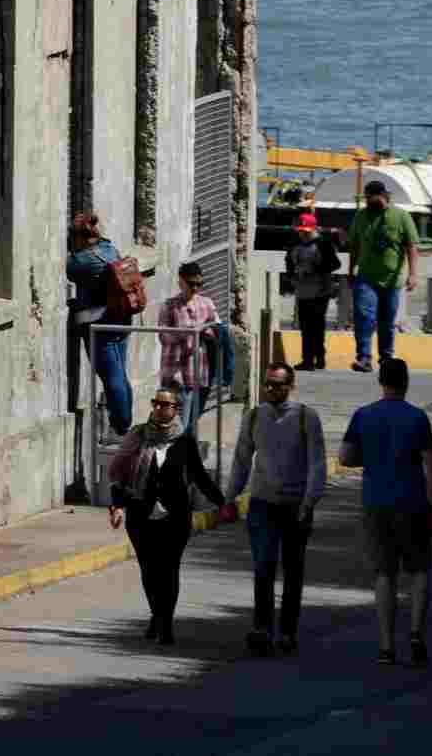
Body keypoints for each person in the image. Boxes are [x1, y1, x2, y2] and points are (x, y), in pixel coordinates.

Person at [340, 357, 432, 665]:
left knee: (385, 574)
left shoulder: (363, 416)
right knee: (419, 571)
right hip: (413, 504)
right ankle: (416, 635)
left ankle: (386, 646)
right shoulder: (417, 418)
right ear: (406, 382)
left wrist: (372, 457)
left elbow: (345, 457)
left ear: (381, 382)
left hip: (376, 504)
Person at [107, 388, 227, 646]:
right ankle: (156, 614)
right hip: (140, 515)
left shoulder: (184, 442)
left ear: (176, 409)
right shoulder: (138, 437)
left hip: (175, 518)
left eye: (166, 404)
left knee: (169, 570)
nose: (160, 408)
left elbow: (200, 477)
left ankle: (166, 624)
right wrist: (117, 506)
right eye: (157, 403)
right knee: (149, 571)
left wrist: (222, 503)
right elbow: (120, 474)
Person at [229, 362, 325, 655]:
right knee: (263, 567)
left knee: (293, 572)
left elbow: (317, 464)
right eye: (268, 384)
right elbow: (242, 459)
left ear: (290, 386)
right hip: (262, 504)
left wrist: (309, 502)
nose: (271, 389)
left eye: (278, 385)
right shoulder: (254, 416)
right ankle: (262, 628)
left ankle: (287, 632)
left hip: (295, 506)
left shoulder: (306, 418)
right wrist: (229, 496)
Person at [67, 213, 137, 436]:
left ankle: (121, 425)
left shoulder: (81, 261)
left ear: (79, 237)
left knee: (111, 377)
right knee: (120, 372)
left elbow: (68, 269)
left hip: (101, 324)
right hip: (122, 318)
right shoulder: (109, 248)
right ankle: (124, 420)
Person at [344, 181, 420, 372]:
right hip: (366, 278)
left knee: (387, 321)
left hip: (392, 281)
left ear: (384, 195)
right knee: (364, 316)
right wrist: (351, 270)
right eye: (367, 197)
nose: (369, 201)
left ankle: (386, 357)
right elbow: (354, 246)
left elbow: (411, 246)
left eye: (373, 197)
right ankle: (364, 357)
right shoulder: (361, 216)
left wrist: (413, 274)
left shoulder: (401, 216)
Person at [159, 260, 221, 428]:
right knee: (168, 419)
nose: (195, 288)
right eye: (191, 283)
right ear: (181, 281)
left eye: (199, 284)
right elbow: (163, 336)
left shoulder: (206, 304)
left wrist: (204, 331)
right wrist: (190, 331)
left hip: (197, 369)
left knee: (189, 422)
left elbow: (215, 330)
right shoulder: (169, 306)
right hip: (173, 369)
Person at [286, 212, 339, 369]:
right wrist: (292, 276)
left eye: (306, 231)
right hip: (302, 291)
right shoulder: (295, 245)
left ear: (312, 229)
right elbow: (289, 262)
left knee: (316, 325)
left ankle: (319, 357)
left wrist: (315, 269)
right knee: (305, 326)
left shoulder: (323, 244)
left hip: (320, 291)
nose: (303, 234)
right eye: (301, 231)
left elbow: (335, 264)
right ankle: (307, 359)